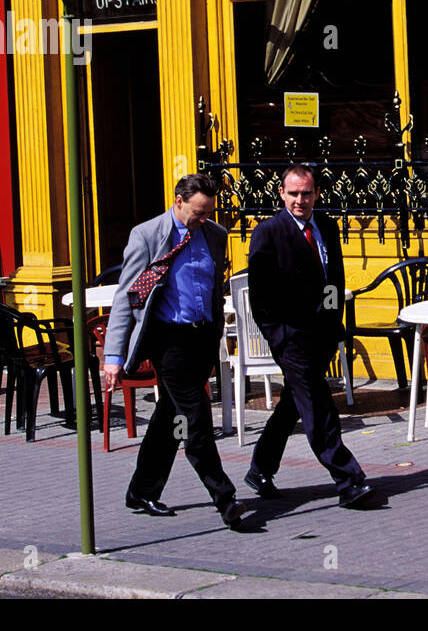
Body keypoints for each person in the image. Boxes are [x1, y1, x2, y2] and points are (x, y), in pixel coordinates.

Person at [102, 173, 248, 530]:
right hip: (169, 341)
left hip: (201, 339)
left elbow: (213, 287)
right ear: (179, 201)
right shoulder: (149, 236)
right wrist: (113, 357)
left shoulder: (214, 235)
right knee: (196, 419)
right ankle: (224, 497)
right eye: (197, 213)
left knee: (170, 417)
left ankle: (141, 490)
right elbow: (129, 297)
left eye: (208, 213)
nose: (203, 220)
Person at [242, 165, 375, 508]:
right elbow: (260, 293)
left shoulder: (326, 227)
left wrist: (334, 323)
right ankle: (348, 480)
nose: (300, 200)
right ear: (282, 194)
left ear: (316, 193)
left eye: (306, 193)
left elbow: (334, 279)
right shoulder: (269, 232)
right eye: (293, 193)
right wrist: (278, 336)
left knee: (293, 405)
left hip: (322, 334)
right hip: (291, 337)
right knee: (317, 405)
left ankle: (260, 469)